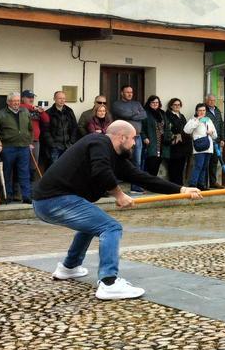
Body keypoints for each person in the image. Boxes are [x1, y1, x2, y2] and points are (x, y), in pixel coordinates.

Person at [32, 120, 202, 300]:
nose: (135, 143)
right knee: (110, 227)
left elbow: (142, 178)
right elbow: (101, 171)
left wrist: (181, 190)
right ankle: (109, 283)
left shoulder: (116, 157)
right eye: (133, 138)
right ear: (122, 137)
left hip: (49, 201)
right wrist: (120, 195)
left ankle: (69, 267)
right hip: (54, 200)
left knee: (93, 224)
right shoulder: (98, 142)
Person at [0, 92, 34, 204]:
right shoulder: (1, 114)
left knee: (24, 172)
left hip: (24, 147)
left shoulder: (25, 111)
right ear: (8, 102)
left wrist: (30, 142)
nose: (16, 103)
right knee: (7, 173)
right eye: (14, 101)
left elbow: (30, 129)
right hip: (7, 148)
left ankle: (26, 196)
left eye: (18, 100)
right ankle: (8, 196)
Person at [111, 85, 147, 191]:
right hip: (123, 138)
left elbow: (144, 115)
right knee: (120, 160)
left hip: (137, 137)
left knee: (137, 162)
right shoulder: (117, 104)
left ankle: (136, 186)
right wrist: (135, 114)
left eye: (131, 92)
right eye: (127, 92)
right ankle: (115, 186)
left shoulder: (137, 103)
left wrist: (132, 115)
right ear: (122, 93)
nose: (130, 94)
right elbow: (124, 114)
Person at [184, 102, 217, 188]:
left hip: (209, 147)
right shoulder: (193, 120)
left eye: (204, 110)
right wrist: (197, 120)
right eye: (200, 110)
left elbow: (215, 135)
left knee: (204, 167)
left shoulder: (208, 120)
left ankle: (201, 185)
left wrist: (211, 132)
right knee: (198, 166)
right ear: (196, 111)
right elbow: (187, 130)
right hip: (199, 147)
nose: (202, 112)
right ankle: (193, 184)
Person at [45, 91, 79, 166]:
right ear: (54, 99)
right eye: (60, 98)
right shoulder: (48, 113)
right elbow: (45, 131)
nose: (62, 100)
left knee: (67, 167)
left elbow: (74, 127)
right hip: (55, 147)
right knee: (54, 168)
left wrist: (72, 142)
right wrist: (52, 144)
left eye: (64, 98)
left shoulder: (69, 111)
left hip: (68, 146)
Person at [164, 98, 191, 186]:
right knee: (173, 167)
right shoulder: (167, 115)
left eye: (178, 105)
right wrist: (175, 136)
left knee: (181, 167)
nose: (177, 106)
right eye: (175, 105)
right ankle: (174, 186)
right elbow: (167, 129)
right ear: (171, 106)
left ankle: (180, 185)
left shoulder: (181, 116)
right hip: (174, 145)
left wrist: (181, 135)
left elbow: (186, 128)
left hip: (183, 145)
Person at [20, 90, 49, 170]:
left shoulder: (35, 108)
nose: (31, 99)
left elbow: (46, 120)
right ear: (23, 98)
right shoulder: (20, 107)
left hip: (35, 140)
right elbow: (21, 106)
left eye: (32, 97)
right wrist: (33, 108)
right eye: (29, 97)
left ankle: (31, 180)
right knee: (22, 162)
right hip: (23, 141)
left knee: (34, 163)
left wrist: (42, 112)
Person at [141, 95, 167, 177]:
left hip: (161, 143)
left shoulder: (162, 113)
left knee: (158, 162)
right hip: (151, 142)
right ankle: (149, 184)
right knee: (151, 163)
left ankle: (154, 183)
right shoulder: (145, 113)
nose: (155, 104)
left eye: (157, 102)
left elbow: (167, 126)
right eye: (153, 102)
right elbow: (141, 127)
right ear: (149, 103)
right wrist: (144, 137)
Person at [204, 94, 225, 188]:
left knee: (214, 162)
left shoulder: (217, 111)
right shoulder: (203, 111)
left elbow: (221, 125)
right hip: (207, 141)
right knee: (205, 163)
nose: (212, 102)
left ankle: (213, 182)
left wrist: (222, 139)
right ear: (206, 101)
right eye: (210, 100)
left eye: (213, 100)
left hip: (216, 141)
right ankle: (204, 184)